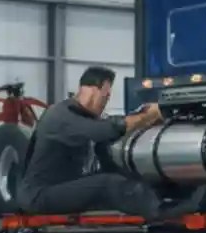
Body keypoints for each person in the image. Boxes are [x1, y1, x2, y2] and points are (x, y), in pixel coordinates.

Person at [17, 66, 167, 219]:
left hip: (61, 186)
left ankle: (162, 200)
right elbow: (105, 130)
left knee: (116, 179)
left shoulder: (84, 117)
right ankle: (163, 213)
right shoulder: (60, 116)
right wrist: (148, 116)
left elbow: (108, 137)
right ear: (91, 90)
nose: (106, 102)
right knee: (106, 184)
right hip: (40, 195)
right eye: (105, 96)